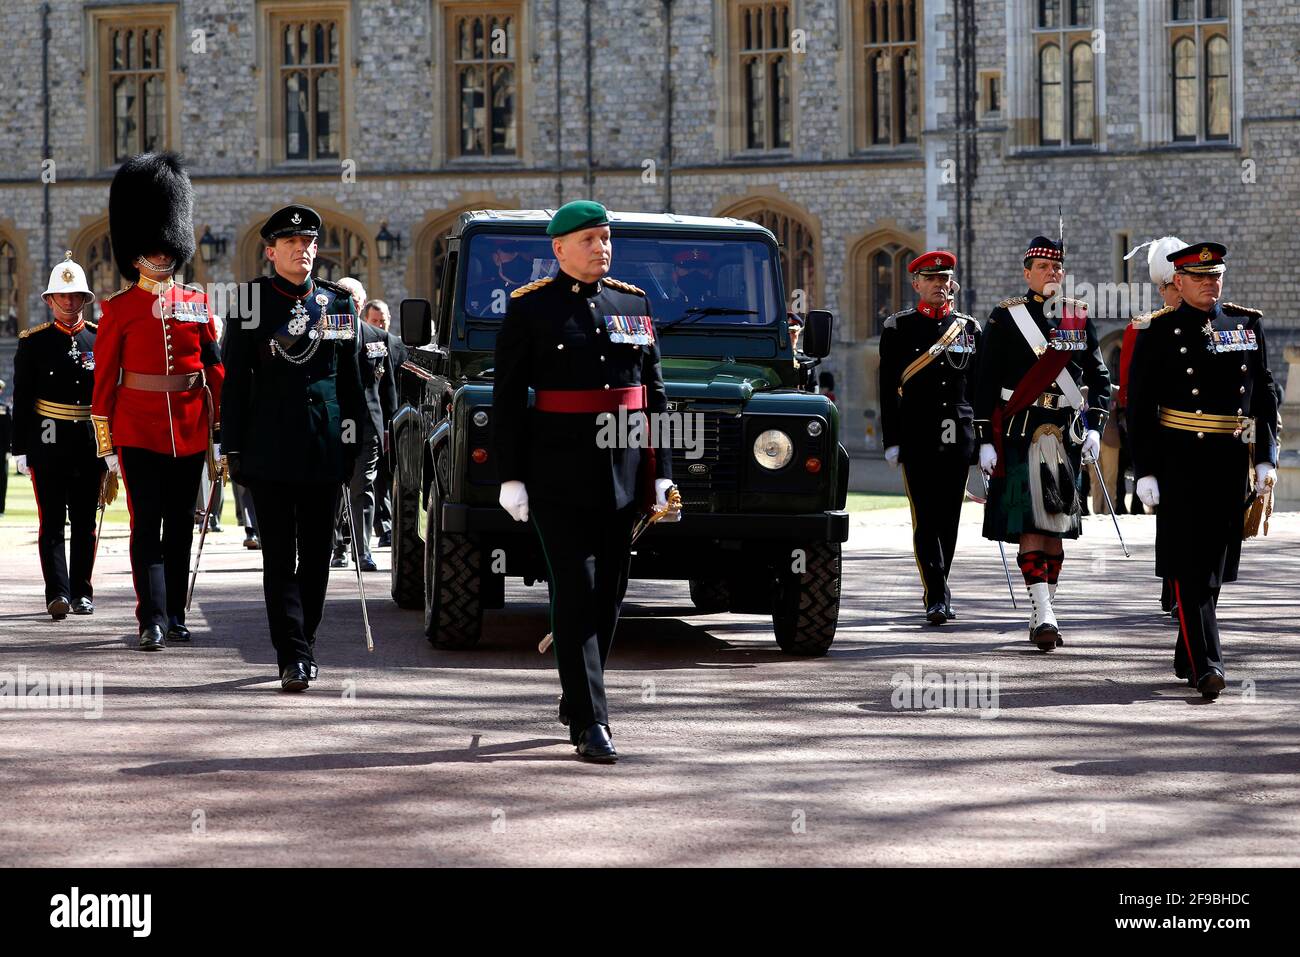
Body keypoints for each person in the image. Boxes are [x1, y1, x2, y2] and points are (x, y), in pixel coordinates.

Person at [492, 200, 674, 763]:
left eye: (606, 238)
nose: (602, 247)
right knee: (574, 591)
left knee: (610, 594)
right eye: (590, 240)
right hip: (557, 473)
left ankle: (576, 696)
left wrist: (663, 472)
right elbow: (507, 400)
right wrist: (510, 477)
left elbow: (655, 395)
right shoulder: (530, 309)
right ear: (559, 249)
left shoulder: (633, 302)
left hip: (623, 473)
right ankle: (593, 720)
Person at [221, 204, 365, 691]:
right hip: (270, 444)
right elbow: (236, 381)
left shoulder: (336, 304)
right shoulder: (249, 302)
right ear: (271, 251)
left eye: (307, 244)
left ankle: (305, 638)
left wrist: (354, 444)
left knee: (319, 554)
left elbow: (349, 381)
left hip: (324, 444)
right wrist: (233, 446)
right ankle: (292, 654)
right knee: (279, 556)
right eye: (291, 244)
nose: (301, 251)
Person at [1127, 242, 1278, 700]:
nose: (1210, 284)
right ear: (1178, 282)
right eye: (1199, 277)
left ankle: (1187, 650)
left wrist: (1266, 456)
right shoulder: (1157, 330)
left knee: (1216, 565)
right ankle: (1208, 665)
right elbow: (1141, 407)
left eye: (1216, 276)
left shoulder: (1245, 324)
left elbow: (1263, 398)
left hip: (1231, 459)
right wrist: (1146, 470)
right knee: (1191, 567)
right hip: (1180, 459)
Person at [91, 152, 224, 651]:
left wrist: (217, 432)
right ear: (134, 250)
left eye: (167, 245)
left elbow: (214, 371)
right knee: (146, 526)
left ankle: (175, 614)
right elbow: (104, 381)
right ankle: (150, 618)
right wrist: (106, 444)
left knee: (181, 529)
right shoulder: (118, 310)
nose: (161, 254)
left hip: (189, 429)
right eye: (151, 246)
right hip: (137, 430)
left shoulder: (196, 302)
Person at [973, 235, 1111, 651]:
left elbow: (1100, 378)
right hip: (1020, 432)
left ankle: (1044, 608)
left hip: (1063, 437)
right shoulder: (1005, 317)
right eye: (1044, 268)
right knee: (1033, 524)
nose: (1052, 274)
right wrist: (984, 440)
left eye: (1057, 268)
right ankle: (1043, 614)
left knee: (1056, 527)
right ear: (1027, 272)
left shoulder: (1077, 318)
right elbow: (984, 381)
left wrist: (1094, 429)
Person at [878, 250, 981, 625]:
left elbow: (978, 389)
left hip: (959, 434)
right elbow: (887, 388)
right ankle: (936, 596)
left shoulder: (969, 328)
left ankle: (940, 587)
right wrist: (891, 439)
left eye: (944, 278)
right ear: (916, 283)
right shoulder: (898, 328)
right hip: (917, 435)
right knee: (925, 517)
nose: (939, 285)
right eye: (932, 279)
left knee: (949, 519)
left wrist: (984, 441)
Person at [12, 252, 105, 618]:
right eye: (61, 296)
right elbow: (23, 398)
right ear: (50, 301)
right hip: (47, 441)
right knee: (51, 521)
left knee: (85, 522)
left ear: (84, 299)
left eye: (75, 295)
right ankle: (58, 593)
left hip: (88, 440)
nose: (68, 302)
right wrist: (20, 447)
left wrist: (111, 445)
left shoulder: (100, 339)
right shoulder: (33, 342)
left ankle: (82, 591)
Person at [1121, 235, 1186, 616]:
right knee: (1173, 517)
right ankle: (1174, 587)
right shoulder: (1143, 328)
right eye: (1171, 286)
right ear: (1162, 288)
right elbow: (1132, 393)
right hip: (1163, 438)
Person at [330, 286, 396, 572]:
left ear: (361, 303)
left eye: (355, 299)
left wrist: (390, 428)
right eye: (345, 299)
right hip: (335, 422)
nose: (350, 304)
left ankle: (362, 549)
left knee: (362, 486)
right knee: (333, 487)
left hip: (368, 423)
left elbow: (388, 389)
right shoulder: (324, 335)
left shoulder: (377, 337)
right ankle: (337, 547)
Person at [359, 299, 408, 548]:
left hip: (390, 418)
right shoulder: (360, 343)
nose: (380, 325)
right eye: (375, 321)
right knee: (366, 481)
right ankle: (373, 530)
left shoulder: (397, 345)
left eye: (384, 320)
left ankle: (387, 526)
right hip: (366, 420)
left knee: (387, 478)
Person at [0, 378, 11, 515]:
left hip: (1, 451)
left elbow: (9, 430)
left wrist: (8, 449)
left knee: (1, 480)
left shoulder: (4, 407)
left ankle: (0, 508)